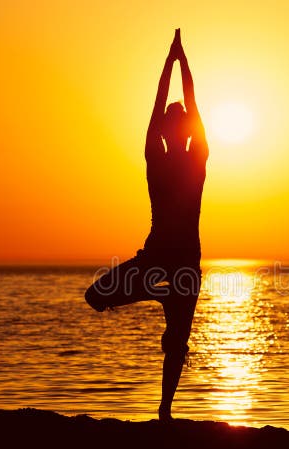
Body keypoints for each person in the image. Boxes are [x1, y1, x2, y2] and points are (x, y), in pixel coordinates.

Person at [84, 29, 208, 421]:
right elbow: (161, 109)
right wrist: (175, 62)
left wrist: (177, 63)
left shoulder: (187, 157)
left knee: (177, 342)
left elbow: (180, 107)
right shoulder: (165, 157)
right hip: (161, 256)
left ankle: (164, 412)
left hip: (181, 260)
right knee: (95, 296)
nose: (174, 125)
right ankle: (157, 296)